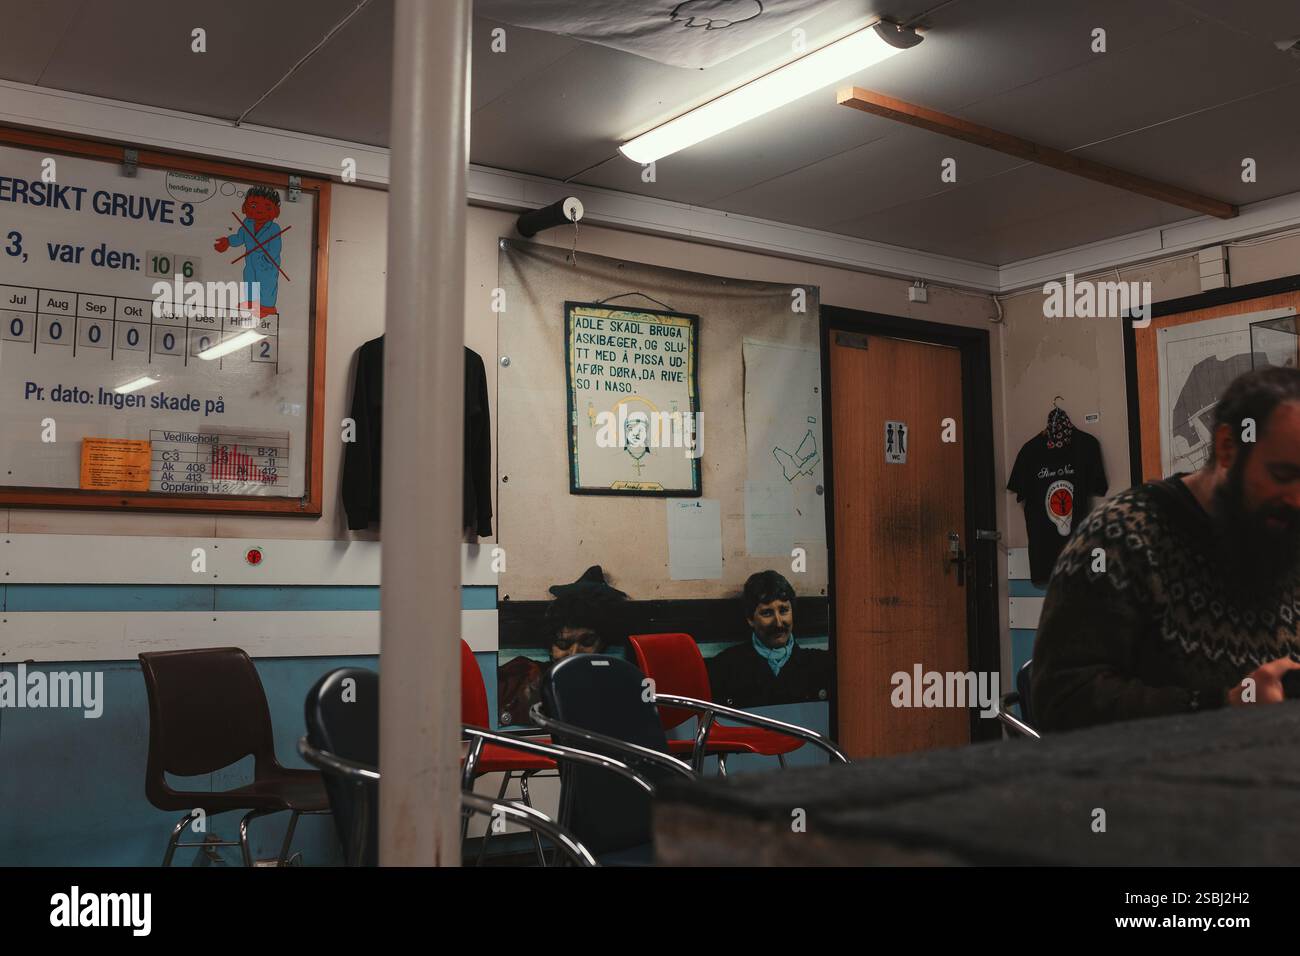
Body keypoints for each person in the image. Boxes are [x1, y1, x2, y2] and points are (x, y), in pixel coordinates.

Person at [1032, 366, 1300, 731]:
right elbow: (1062, 700)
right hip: (1151, 779)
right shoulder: (1123, 537)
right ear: (1227, 448)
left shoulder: (1284, 533)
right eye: (1283, 475)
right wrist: (1222, 705)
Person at [497, 566, 628, 726]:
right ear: (550, 647)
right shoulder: (521, 677)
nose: (574, 653)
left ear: (603, 644)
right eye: (563, 644)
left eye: (587, 642)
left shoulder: (617, 686)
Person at [707, 570, 830, 708]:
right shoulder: (724, 668)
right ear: (750, 619)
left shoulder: (822, 665)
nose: (778, 623)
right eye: (767, 613)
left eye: (783, 610)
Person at [214, 185, 284, 317]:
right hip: (250, 261)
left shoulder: (274, 228)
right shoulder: (247, 223)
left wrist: (267, 259)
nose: (260, 211)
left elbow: (275, 248)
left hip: (267, 264)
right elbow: (240, 237)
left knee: (266, 285)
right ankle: (251, 303)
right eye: (253, 206)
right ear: (244, 207)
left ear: (276, 212)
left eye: (267, 207)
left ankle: (267, 307)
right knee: (250, 280)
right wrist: (228, 242)